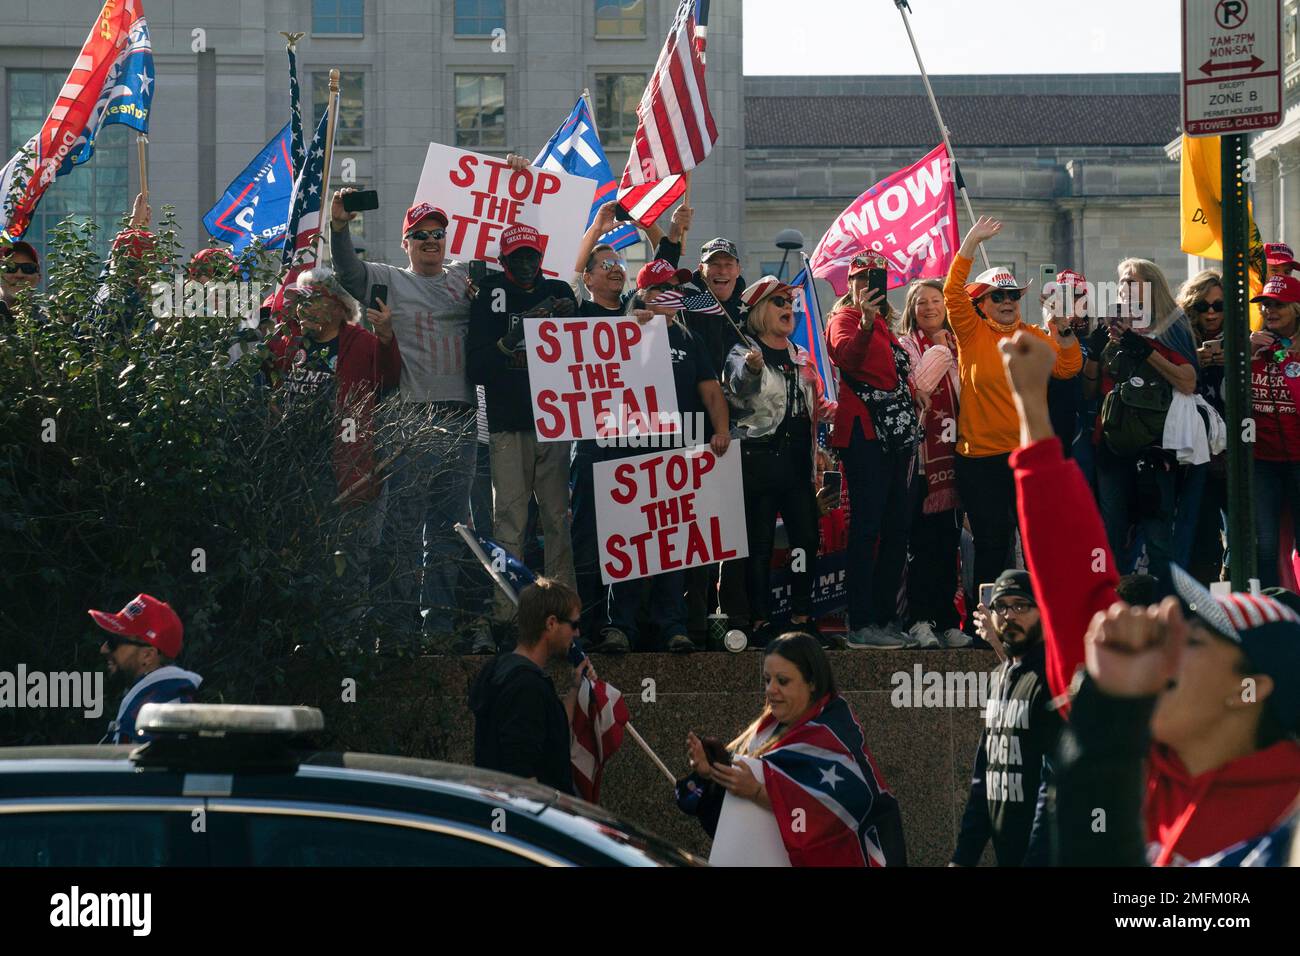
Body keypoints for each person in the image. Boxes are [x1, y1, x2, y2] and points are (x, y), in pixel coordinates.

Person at [999, 328, 1300, 865]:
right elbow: (1078, 588)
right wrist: (1032, 412)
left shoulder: (1285, 823)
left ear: (1248, 691)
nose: (1163, 620)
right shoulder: (1150, 758)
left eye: (1196, 639)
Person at [1052, 577, 1300, 867]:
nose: (1163, 653)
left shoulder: (1288, 815)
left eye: (1192, 641)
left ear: (1248, 689)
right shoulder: (1133, 769)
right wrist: (1110, 703)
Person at [330, 190, 479, 642]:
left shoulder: (467, 278)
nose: (431, 241)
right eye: (420, 235)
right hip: (412, 417)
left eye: (438, 234)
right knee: (403, 528)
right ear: (405, 243)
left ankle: (439, 629)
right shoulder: (390, 279)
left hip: (463, 417)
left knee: (449, 531)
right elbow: (348, 272)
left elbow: (519, 268)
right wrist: (340, 227)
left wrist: (518, 178)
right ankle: (398, 633)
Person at [944, 217, 1082, 615]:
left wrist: (1064, 333)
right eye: (998, 296)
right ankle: (985, 620)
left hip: (1025, 460)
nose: (1007, 302)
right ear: (981, 303)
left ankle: (1042, 617)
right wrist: (970, 242)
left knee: (1037, 540)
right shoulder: (970, 332)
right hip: (979, 459)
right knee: (991, 542)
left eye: (1013, 296)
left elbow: (1068, 369)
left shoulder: (1034, 336)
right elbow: (953, 290)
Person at [594, 261, 732, 654]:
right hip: (628, 447)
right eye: (665, 288)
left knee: (672, 540)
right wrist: (629, 331)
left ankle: (672, 625)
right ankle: (620, 626)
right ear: (645, 295)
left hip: (678, 449)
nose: (675, 295)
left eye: (679, 289)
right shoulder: (620, 332)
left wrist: (720, 431)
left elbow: (710, 391)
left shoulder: (690, 339)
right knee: (629, 541)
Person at [678, 632, 906, 866]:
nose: (771, 689)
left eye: (782, 681)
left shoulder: (836, 735)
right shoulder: (765, 733)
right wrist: (713, 775)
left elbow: (837, 816)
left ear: (812, 682)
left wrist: (757, 792)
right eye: (767, 680)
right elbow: (740, 827)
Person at [467, 223, 579, 628]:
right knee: (510, 521)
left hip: (555, 421)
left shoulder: (561, 293)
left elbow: (586, 357)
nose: (527, 264)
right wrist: (511, 338)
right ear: (504, 260)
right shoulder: (488, 296)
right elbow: (475, 367)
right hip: (507, 423)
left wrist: (573, 320)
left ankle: (564, 611)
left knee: (557, 519)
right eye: (519, 258)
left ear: (542, 258)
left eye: (532, 256)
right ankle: (507, 613)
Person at [265, 275, 399, 583]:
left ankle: (350, 624)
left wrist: (387, 339)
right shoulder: (289, 341)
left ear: (339, 308)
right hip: (295, 468)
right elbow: (265, 376)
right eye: (300, 302)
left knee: (349, 555)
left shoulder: (363, 342)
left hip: (346, 467)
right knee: (297, 554)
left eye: (313, 301)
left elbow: (390, 379)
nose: (303, 309)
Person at [724, 276, 835, 645]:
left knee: (805, 540)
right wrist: (752, 369)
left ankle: (801, 615)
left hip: (795, 466)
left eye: (789, 302)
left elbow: (814, 405)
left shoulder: (800, 355)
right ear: (758, 312)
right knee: (759, 545)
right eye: (778, 302)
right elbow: (737, 391)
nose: (788, 308)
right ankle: (760, 620)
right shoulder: (743, 350)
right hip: (757, 462)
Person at [825, 255, 924, 648]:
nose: (869, 285)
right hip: (863, 433)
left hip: (892, 435)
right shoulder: (845, 319)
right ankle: (861, 620)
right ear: (849, 283)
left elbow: (890, 375)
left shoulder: (886, 325)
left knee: (897, 527)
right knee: (867, 529)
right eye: (861, 278)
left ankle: (886, 618)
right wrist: (865, 323)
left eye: (875, 278)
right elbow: (847, 356)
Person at [1085, 258, 1199, 595]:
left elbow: (1188, 381)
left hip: (1154, 448)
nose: (1124, 287)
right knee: (1110, 531)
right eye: (1121, 281)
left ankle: (1165, 606)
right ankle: (1110, 604)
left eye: (1132, 281)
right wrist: (1093, 353)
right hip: (1111, 445)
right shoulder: (1111, 330)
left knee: (1158, 534)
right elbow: (1088, 393)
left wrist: (1144, 349)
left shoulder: (1170, 328)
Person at [951, 570, 1062, 867]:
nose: (1009, 615)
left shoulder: (1051, 681)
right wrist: (962, 858)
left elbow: (1055, 787)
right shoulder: (998, 678)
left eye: (1021, 606)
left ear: (1042, 612)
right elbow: (984, 776)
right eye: (1001, 606)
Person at [468, 578, 594, 794]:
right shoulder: (526, 687)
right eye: (573, 624)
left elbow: (544, 730)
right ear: (551, 623)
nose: (577, 634)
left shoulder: (501, 669)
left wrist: (574, 688)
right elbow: (521, 776)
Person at [897, 277, 969, 649]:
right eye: (921, 301)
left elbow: (964, 392)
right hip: (922, 460)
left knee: (948, 544)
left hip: (958, 458)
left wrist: (947, 349)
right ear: (912, 309)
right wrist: (940, 350)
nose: (929, 307)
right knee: (922, 545)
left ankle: (947, 618)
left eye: (936, 300)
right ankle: (919, 619)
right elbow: (920, 387)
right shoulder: (907, 344)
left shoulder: (961, 343)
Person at [88, 594, 203, 745]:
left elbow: (143, 768)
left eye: (113, 642)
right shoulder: (159, 698)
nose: (103, 649)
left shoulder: (158, 711)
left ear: (147, 655)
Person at [1248, 273, 1300, 588]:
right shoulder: (1253, 345)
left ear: (1296, 308)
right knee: (1264, 545)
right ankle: (1270, 608)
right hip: (1262, 461)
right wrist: (1242, 351)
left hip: (1298, 458)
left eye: (1278, 305)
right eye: (1266, 305)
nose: (1270, 311)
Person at [1178, 270, 1227, 583]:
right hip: (1193, 452)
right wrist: (1194, 363)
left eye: (1219, 305)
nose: (1211, 313)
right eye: (1203, 306)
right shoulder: (1180, 339)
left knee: (1241, 539)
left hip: (1233, 449)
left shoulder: (1241, 335)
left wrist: (1239, 358)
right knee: (1201, 538)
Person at [0, 240, 41, 324]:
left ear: (39, 277)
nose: (19, 274)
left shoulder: (51, 324)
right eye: (10, 267)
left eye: (28, 268)